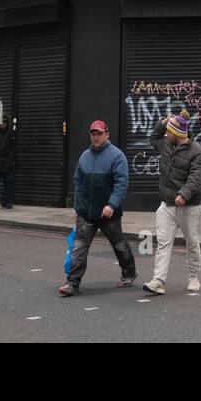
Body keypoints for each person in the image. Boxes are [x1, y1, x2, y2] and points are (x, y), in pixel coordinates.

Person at [59, 120, 137, 295]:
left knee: (119, 245)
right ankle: (72, 283)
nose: (96, 137)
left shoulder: (117, 156)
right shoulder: (84, 156)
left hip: (108, 213)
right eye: (93, 134)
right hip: (85, 212)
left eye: (99, 134)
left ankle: (129, 273)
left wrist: (112, 204)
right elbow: (78, 182)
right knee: (79, 247)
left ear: (107, 134)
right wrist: (76, 206)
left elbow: (121, 183)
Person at [143, 110, 201, 296]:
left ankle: (193, 277)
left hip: (189, 206)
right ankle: (158, 281)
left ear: (176, 134)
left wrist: (184, 194)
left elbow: (196, 177)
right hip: (167, 204)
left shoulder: (197, 151)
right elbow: (153, 137)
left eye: (168, 131)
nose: (165, 134)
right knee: (163, 242)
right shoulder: (165, 144)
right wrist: (166, 120)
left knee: (192, 242)